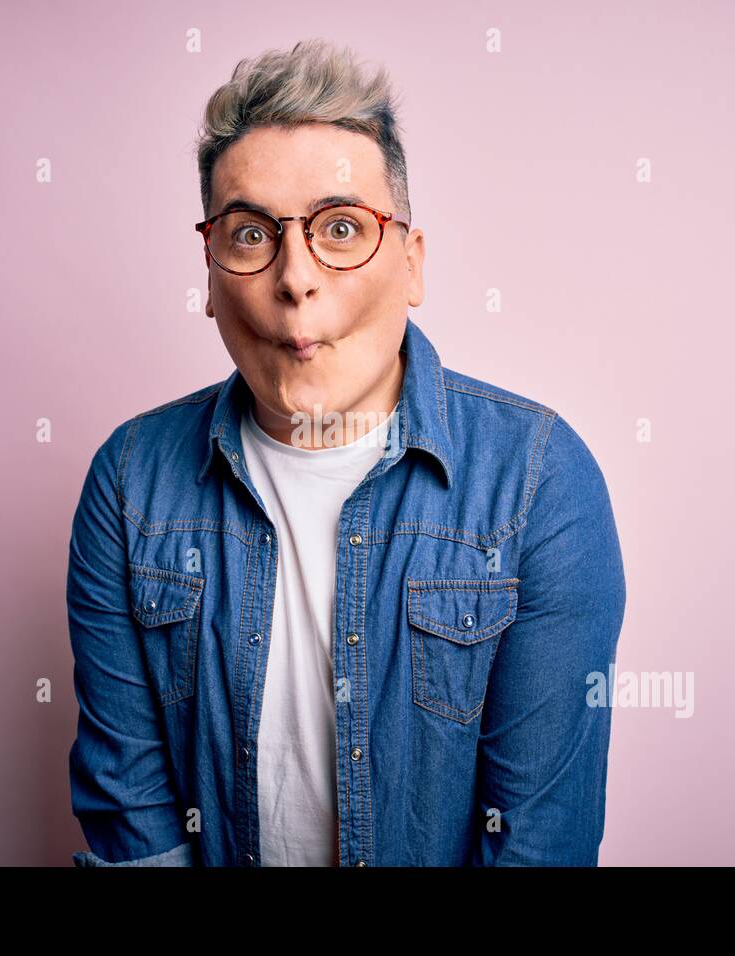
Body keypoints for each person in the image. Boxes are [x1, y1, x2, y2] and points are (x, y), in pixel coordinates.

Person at [67, 37, 626, 867]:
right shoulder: (128, 484)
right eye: (251, 234)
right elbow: (135, 824)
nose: (296, 277)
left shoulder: (541, 482)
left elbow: (539, 843)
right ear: (212, 276)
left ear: (411, 263)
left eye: (339, 228)